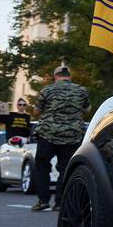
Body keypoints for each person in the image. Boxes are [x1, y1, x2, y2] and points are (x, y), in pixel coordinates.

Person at [31, 66, 90, 212]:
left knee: (42, 166)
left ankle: (43, 200)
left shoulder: (47, 90)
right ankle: (60, 202)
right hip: (72, 136)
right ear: (69, 76)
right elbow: (87, 110)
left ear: (55, 76)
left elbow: (36, 111)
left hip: (48, 135)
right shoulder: (81, 91)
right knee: (66, 169)